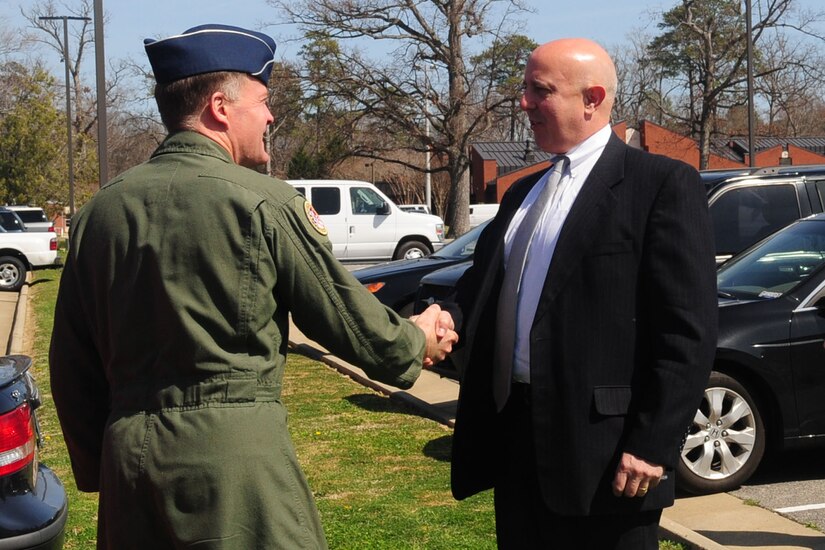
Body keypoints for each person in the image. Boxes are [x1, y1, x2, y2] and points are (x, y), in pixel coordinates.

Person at [49, 24, 457, 550]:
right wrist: (417, 340)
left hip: (128, 464)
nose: (269, 117)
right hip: (233, 461)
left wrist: (99, 463)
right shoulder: (263, 203)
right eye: (264, 102)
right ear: (220, 107)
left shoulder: (97, 215)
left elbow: (71, 366)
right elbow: (349, 321)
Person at [449, 38, 717, 549]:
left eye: (539, 90)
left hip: (610, 459)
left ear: (592, 98)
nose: (523, 103)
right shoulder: (524, 193)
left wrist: (652, 444)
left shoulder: (660, 184)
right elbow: (478, 288)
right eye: (524, 89)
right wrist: (442, 320)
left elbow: (687, 333)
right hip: (518, 445)